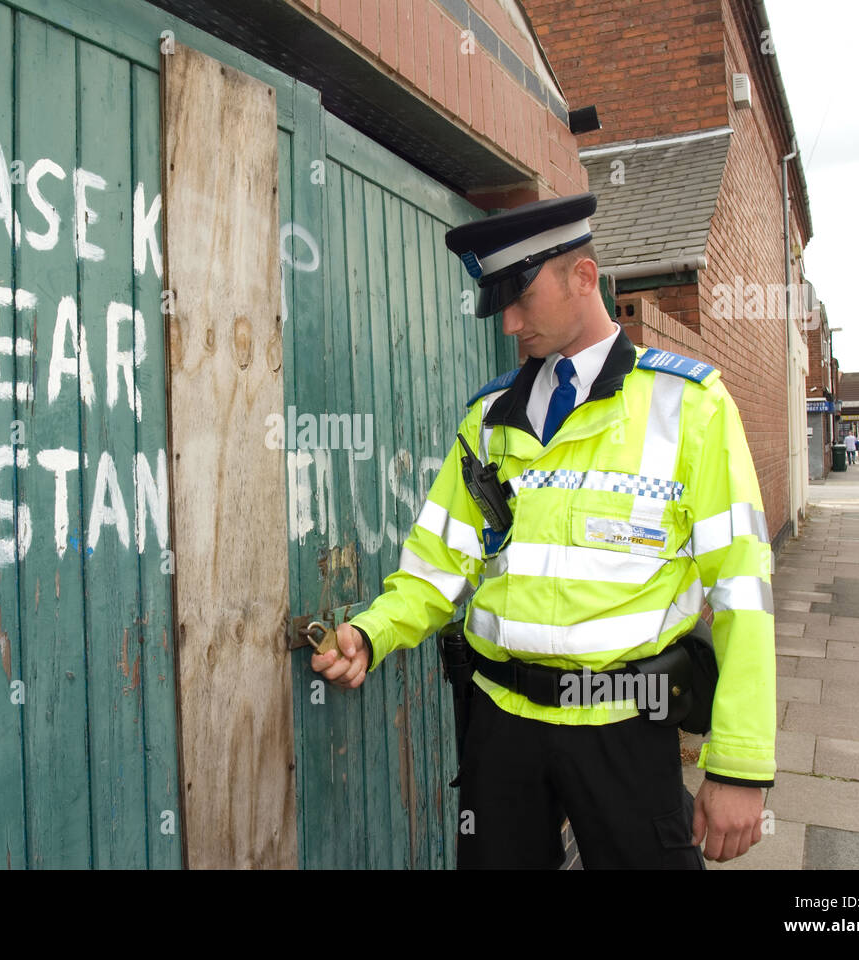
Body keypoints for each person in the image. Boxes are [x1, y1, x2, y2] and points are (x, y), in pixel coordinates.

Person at [310, 193, 776, 869]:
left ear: (583, 278)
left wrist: (739, 765)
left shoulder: (690, 408)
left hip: (624, 729)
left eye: (521, 296)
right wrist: (370, 633)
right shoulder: (490, 420)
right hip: (500, 732)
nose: (508, 322)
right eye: (499, 302)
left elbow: (743, 591)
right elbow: (436, 571)